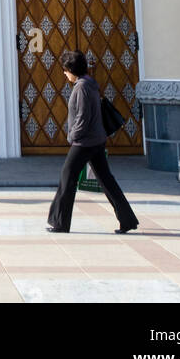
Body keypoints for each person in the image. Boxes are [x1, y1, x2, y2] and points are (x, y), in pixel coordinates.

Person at [46, 49, 139, 235]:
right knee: (106, 179)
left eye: (65, 70)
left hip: (85, 142)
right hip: (96, 140)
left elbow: (83, 118)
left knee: (67, 176)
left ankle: (60, 222)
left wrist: (72, 136)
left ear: (71, 69)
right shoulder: (90, 84)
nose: (65, 74)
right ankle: (127, 220)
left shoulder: (81, 87)